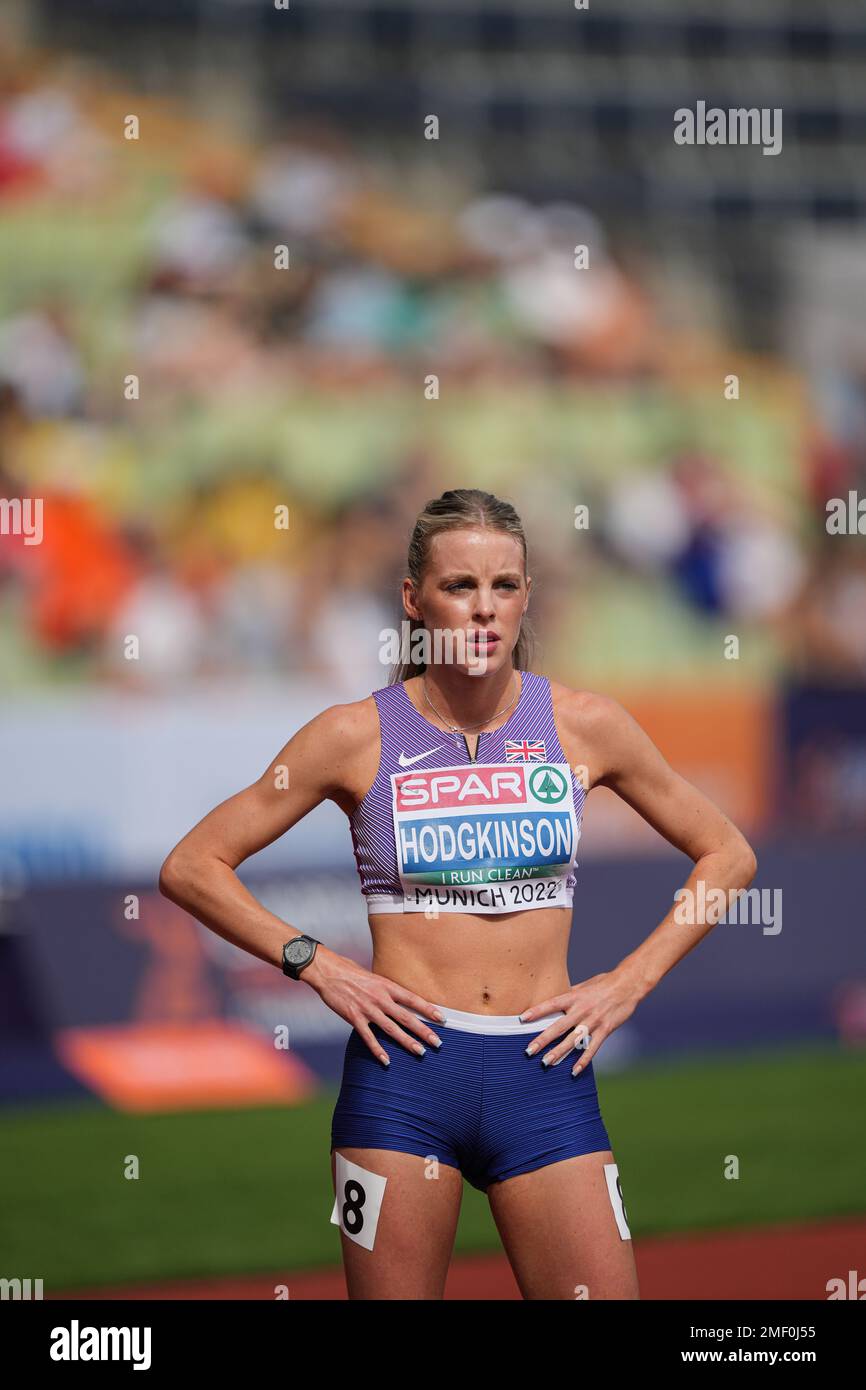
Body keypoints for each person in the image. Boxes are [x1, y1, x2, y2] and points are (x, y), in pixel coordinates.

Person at [159, 487, 757, 1300]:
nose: (484, 610)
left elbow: (726, 853)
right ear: (413, 600)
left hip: (544, 1076)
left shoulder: (586, 726)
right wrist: (318, 964)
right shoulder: (352, 736)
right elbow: (193, 865)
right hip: (403, 1080)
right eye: (459, 586)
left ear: (526, 598)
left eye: (504, 586)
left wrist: (630, 980)